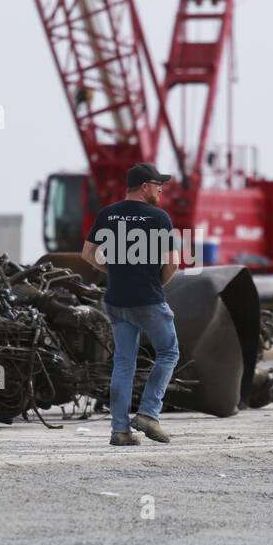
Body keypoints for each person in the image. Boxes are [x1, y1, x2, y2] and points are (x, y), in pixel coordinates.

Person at [82, 162, 180, 446]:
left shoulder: (108, 215)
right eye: (158, 185)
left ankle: (120, 430)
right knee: (169, 352)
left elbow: (88, 253)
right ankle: (149, 414)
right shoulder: (159, 217)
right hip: (148, 299)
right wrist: (153, 283)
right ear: (145, 187)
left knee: (123, 363)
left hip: (116, 300)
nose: (161, 190)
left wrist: (113, 270)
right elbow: (173, 263)